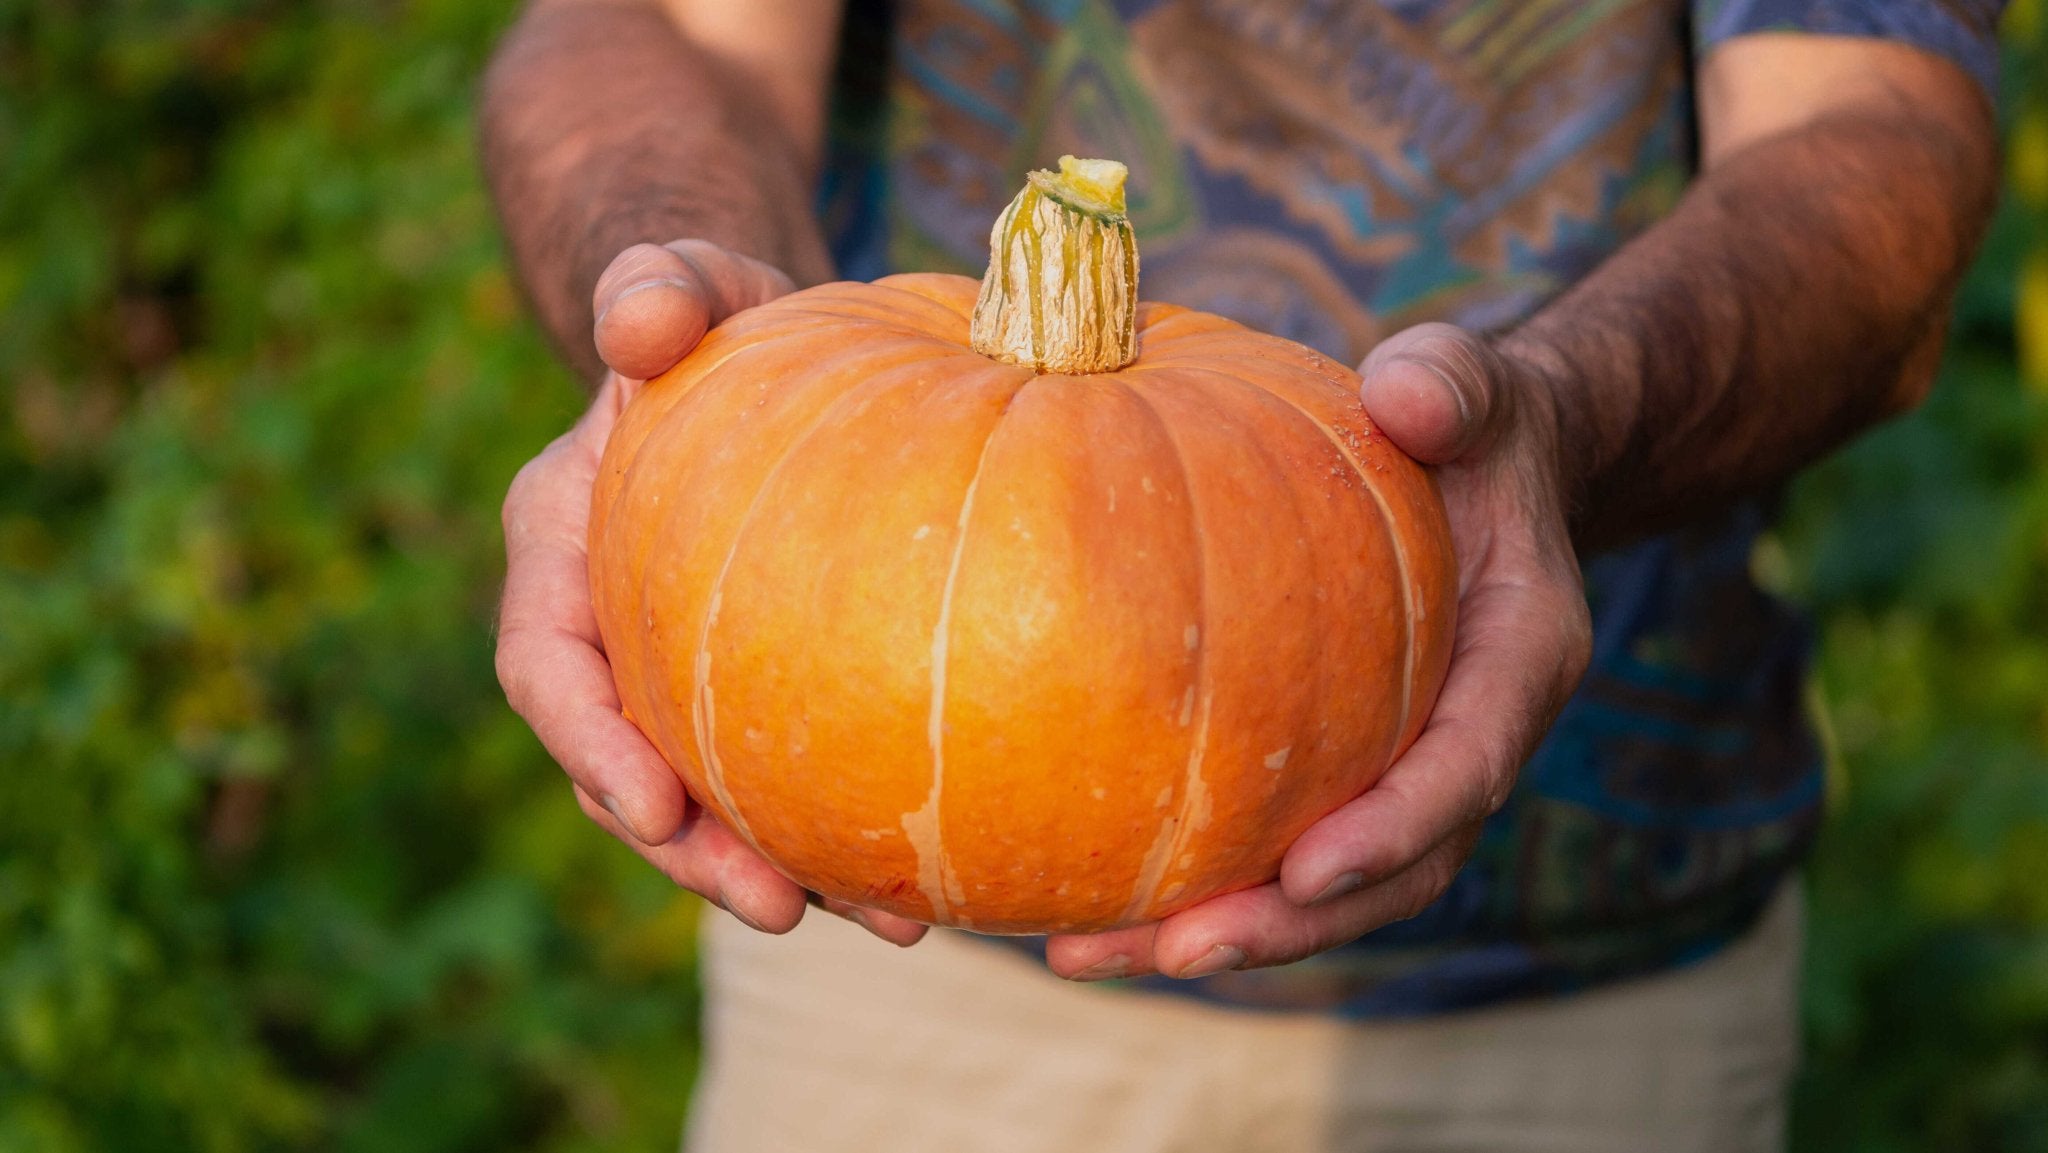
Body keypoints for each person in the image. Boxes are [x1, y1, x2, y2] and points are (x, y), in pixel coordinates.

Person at [482, 1, 2001, 1148]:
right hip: (892, 938)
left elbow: (1866, 136)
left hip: (1590, 980)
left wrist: (1564, 435)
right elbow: (674, 30)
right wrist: (698, 366)